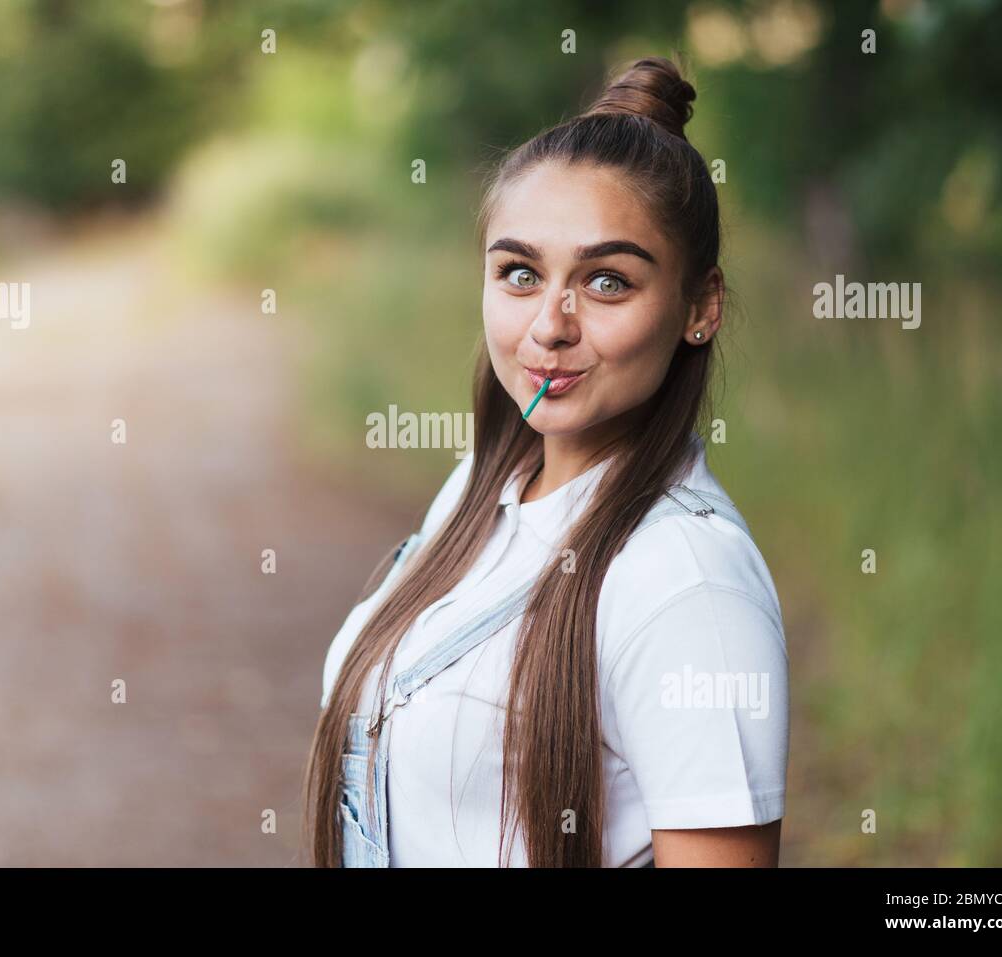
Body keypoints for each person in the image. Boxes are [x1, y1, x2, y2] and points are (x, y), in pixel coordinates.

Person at [305, 56, 789, 868]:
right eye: (521, 273)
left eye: (605, 281)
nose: (548, 326)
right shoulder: (484, 488)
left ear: (700, 306)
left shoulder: (690, 587)